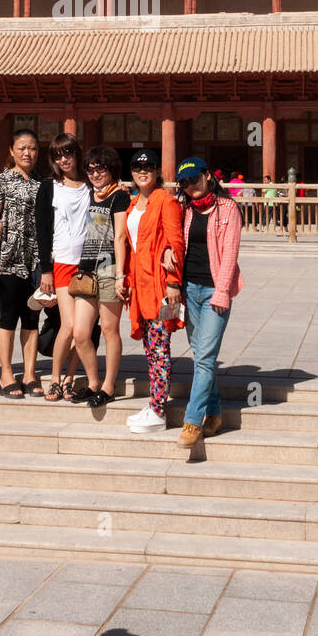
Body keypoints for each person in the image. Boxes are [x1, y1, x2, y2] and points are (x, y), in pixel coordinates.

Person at [175, 156, 244, 449]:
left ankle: (193, 421)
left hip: (215, 290)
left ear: (207, 176)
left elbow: (230, 254)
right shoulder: (184, 210)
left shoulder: (228, 208)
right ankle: (214, 413)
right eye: (185, 183)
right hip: (189, 289)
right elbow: (175, 242)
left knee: (204, 357)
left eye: (194, 179)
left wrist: (222, 291)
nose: (190, 186)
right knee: (200, 355)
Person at [124, 149, 185, 433]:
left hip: (162, 285)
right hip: (140, 284)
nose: (142, 170)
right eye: (137, 166)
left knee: (160, 346)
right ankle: (153, 403)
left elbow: (176, 243)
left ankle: (159, 410)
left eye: (148, 166)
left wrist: (174, 284)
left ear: (158, 170)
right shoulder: (133, 202)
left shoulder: (167, 201)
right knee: (150, 347)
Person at [0, 129, 43, 398]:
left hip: (36, 260)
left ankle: (29, 373)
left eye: (32, 148)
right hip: (8, 259)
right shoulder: (1, 181)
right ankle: (6, 373)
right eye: (22, 148)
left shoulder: (44, 182)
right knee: (9, 316)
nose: (27, 153)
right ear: (11, 151)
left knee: (32, 317)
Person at [69, 144, 129, 408]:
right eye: (90, 169)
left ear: (112, 169)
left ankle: (108, 386)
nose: (94, 174)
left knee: (108, 329)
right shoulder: (85, 194)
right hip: (85, 269)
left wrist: (120, 274)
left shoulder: (119, 196)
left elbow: (120, 236)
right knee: (80, 332)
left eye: (100, 168)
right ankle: (92, 381)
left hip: (108, 268)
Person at [35, 133, 89, 401]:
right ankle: (55, 378)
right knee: (67, 325)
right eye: (58, 155)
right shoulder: (49, 187)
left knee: (83, 328)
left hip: (89, 263)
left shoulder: (91, 184)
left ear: (77, 153)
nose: (63, 159)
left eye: (68, 153)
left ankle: (70, 377)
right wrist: (46, 269)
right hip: (63, 263)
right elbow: (42, 230)